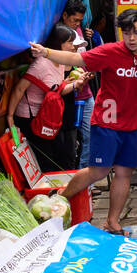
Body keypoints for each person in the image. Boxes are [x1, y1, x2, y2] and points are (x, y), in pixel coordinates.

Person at [31, 8, 137, 234]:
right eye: (126, 33)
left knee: (125, 172)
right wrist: (46, 52)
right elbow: (75, 58)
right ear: (120, 33)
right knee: (98, 171)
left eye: (136, 32)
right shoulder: (110, 51)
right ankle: (59, 198)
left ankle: (112, 221)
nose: (132, 38)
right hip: (106, 122)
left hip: (131, 124)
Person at [7, 23, 87, 172]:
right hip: (30, 116)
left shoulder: (63, 62)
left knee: (59, 152)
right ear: (58, 44)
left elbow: (59, 90)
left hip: (46, 113)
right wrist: (10, 116)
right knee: (47, 157)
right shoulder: (41, 65)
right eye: (69, 42)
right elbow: (19, 89)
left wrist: (77, 83)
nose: (72, 47)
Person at [62, 0, 95, 168]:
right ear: (64, 16)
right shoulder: (60, 35)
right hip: (70, 95)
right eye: (74, 20)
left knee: (90, 135)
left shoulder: (80, 31)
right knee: (71, 138)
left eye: (79, 21)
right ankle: (74, 177)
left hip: (86, 93)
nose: (77, 24)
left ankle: (84, 176)